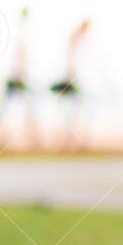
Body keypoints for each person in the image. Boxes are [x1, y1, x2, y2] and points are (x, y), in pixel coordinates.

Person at [0, 7, 32, 147]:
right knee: (5, 108)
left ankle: (30, 136)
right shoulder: (19, 38)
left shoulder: (21, 36)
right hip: (15, 78)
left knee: (26, 106)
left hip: (18, 78)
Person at [50, 18, 92, 149]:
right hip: (68, 80)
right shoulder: (73, 41)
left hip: (71, 80)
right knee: (71, 110)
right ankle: (68, 140)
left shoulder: (77, 41)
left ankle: (69, 140)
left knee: (73, 110)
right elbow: (70, 62)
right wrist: (69, 77)